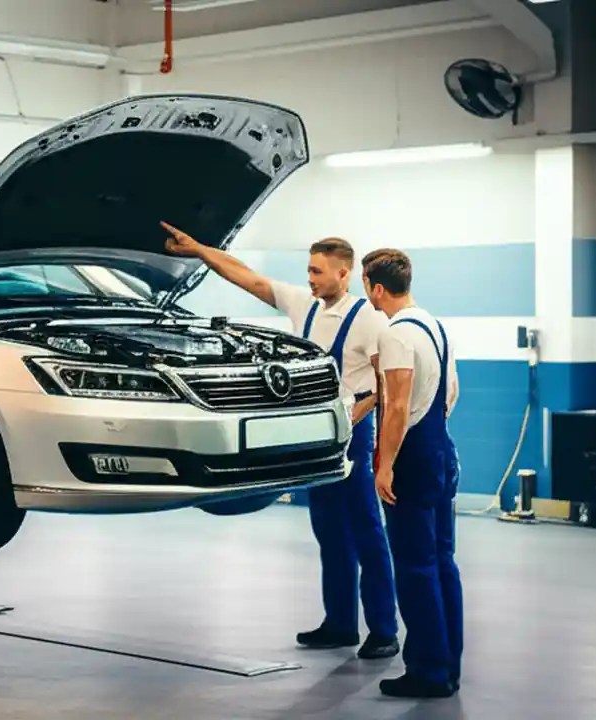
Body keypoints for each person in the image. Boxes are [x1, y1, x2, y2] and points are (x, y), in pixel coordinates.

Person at [161, 221, 399, 661]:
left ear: (343, 273)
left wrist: (353, 416)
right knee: (329, 532)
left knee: (367, 533)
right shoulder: (302, 304)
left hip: (354, 438)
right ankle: (340, 624)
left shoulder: (368, 319)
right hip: (315, 439)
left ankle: (384, 630)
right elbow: (245, 275)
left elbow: (386, 385)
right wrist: (199, 249)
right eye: (308, 271)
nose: (309, 279)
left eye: (317, 273)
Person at [360, 248, 462, 699]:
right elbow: (452, 392)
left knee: (415, 567)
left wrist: (384, 465)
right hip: (441, 450)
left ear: (377, 287)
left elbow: (397, 406)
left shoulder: (396, 335)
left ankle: (427, 671)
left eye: (366, 286)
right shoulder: (436, 326)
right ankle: (448, 663)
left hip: (413, 459)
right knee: (442, 562)